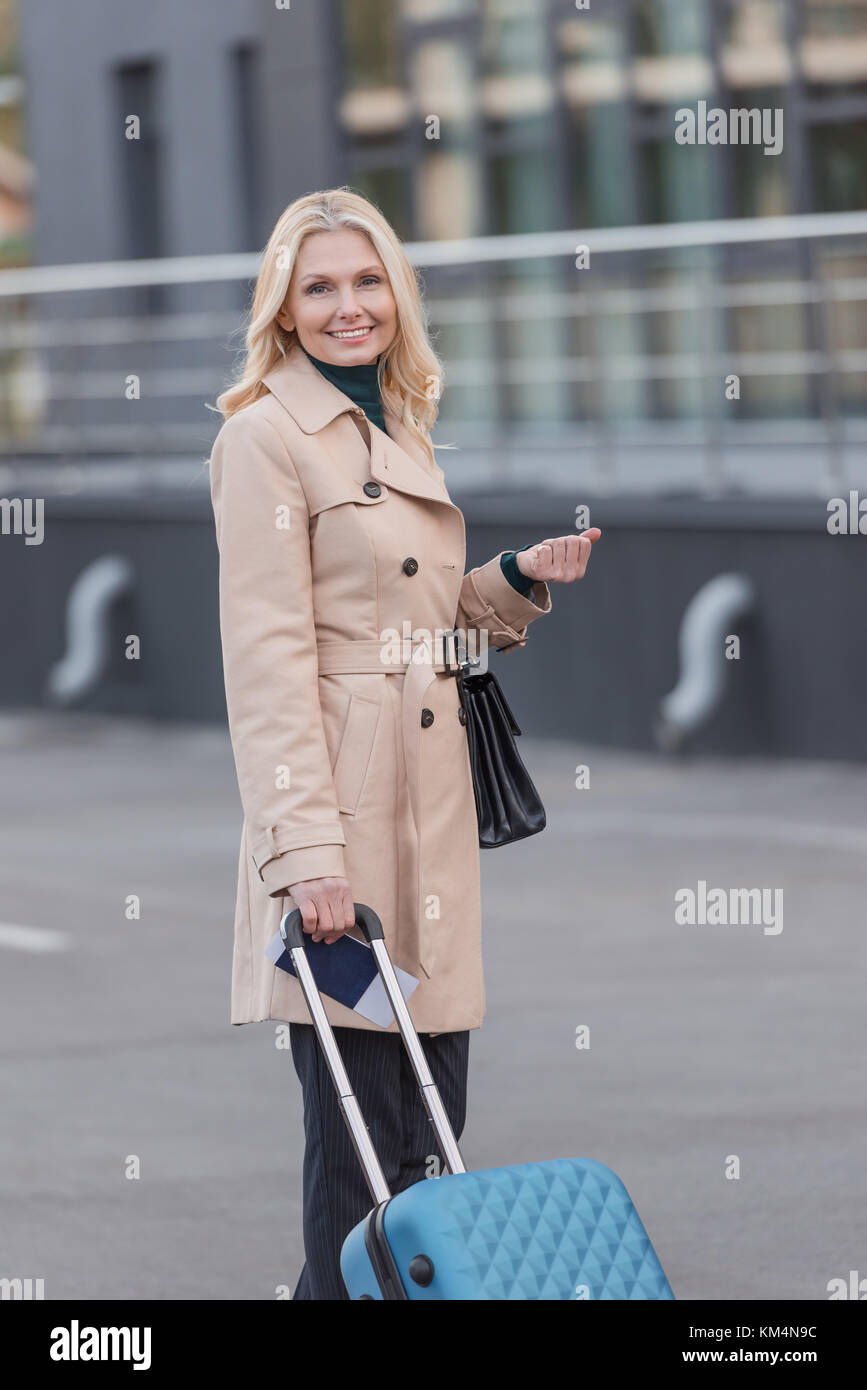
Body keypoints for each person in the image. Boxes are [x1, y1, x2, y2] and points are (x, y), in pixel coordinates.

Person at [208, 187, 601, 1299]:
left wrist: (515, 584)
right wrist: (306, 857)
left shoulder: (398, 424)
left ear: (398, 294)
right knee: (361, 1157)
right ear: (283, 306)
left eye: (368, 280)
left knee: (430, 1137)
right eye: (320, 286)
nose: (348, 306)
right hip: (342, 829)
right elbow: (270, 657)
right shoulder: (263, 440)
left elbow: (419, 631)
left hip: (428, 823)